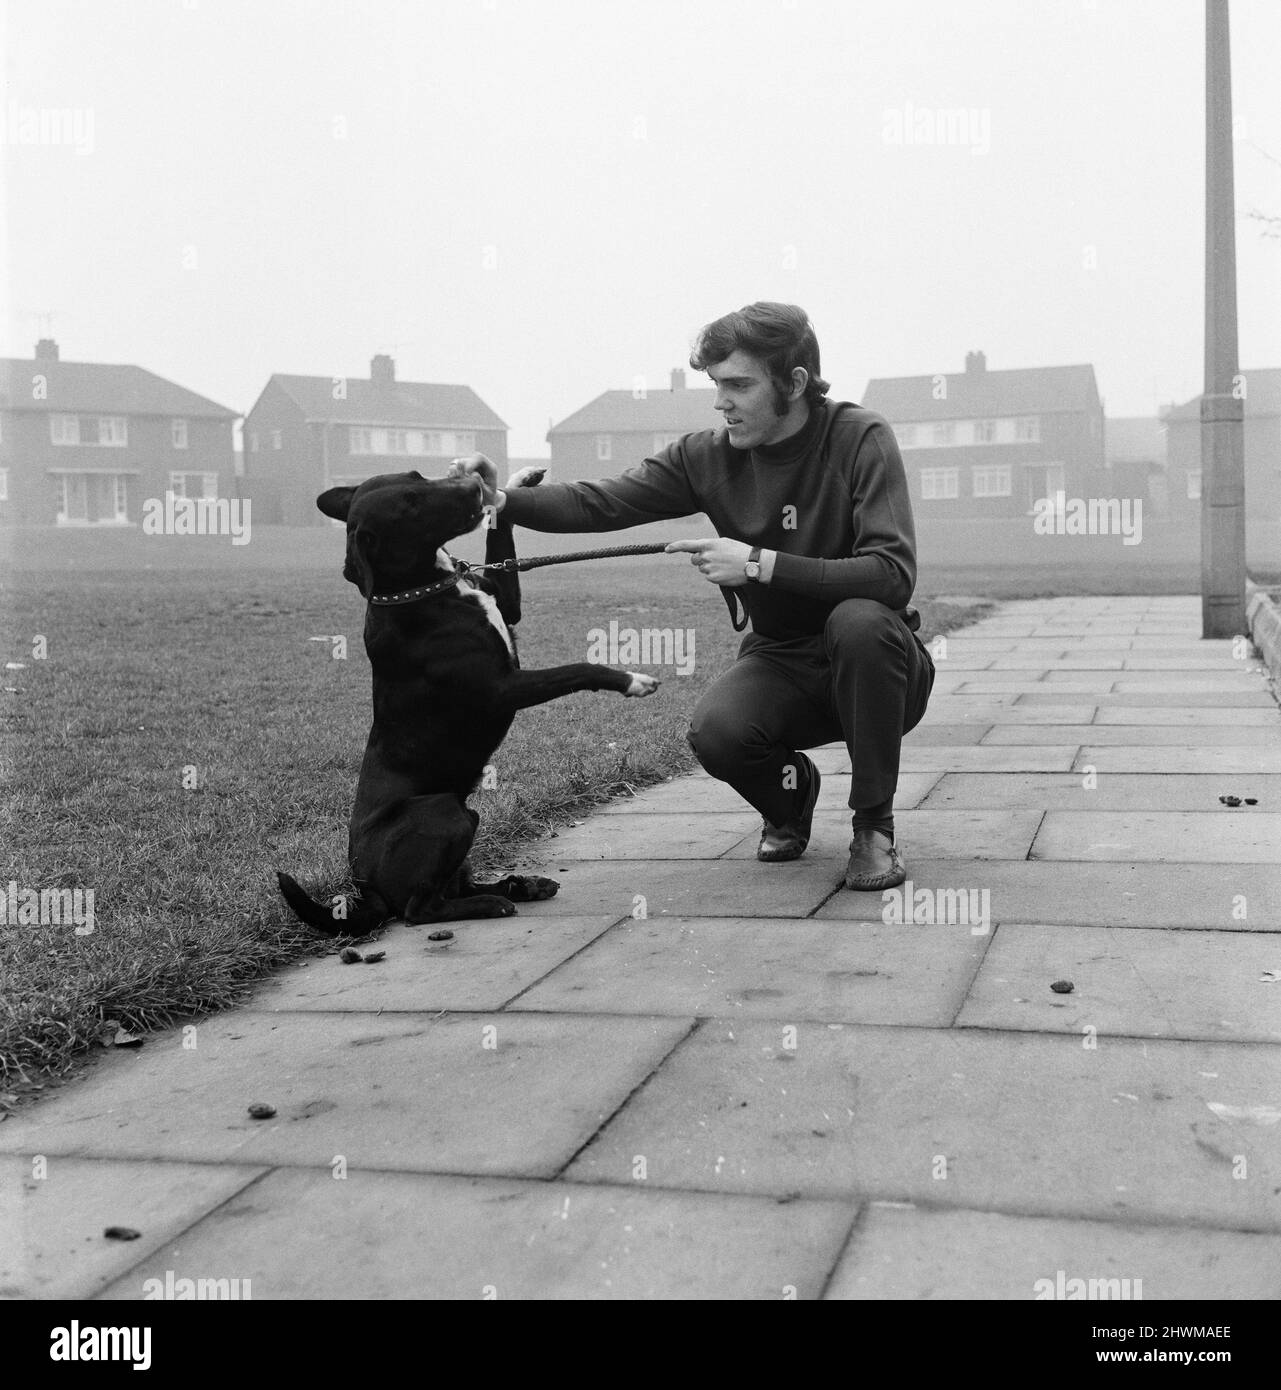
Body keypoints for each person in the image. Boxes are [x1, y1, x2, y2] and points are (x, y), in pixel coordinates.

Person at [455, 302, 934, 891]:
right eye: (715, 384)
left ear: (795, 383)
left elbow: (890, 574)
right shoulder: (706, 455)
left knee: (858, 621)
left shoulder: (861, 437)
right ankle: (791, 797)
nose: (720, 401)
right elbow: (602, 500)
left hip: (882, 664)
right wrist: (500, 500)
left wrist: (758, 563)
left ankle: (874, 829)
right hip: (783, 656)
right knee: (718, 734)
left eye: (738, 384)